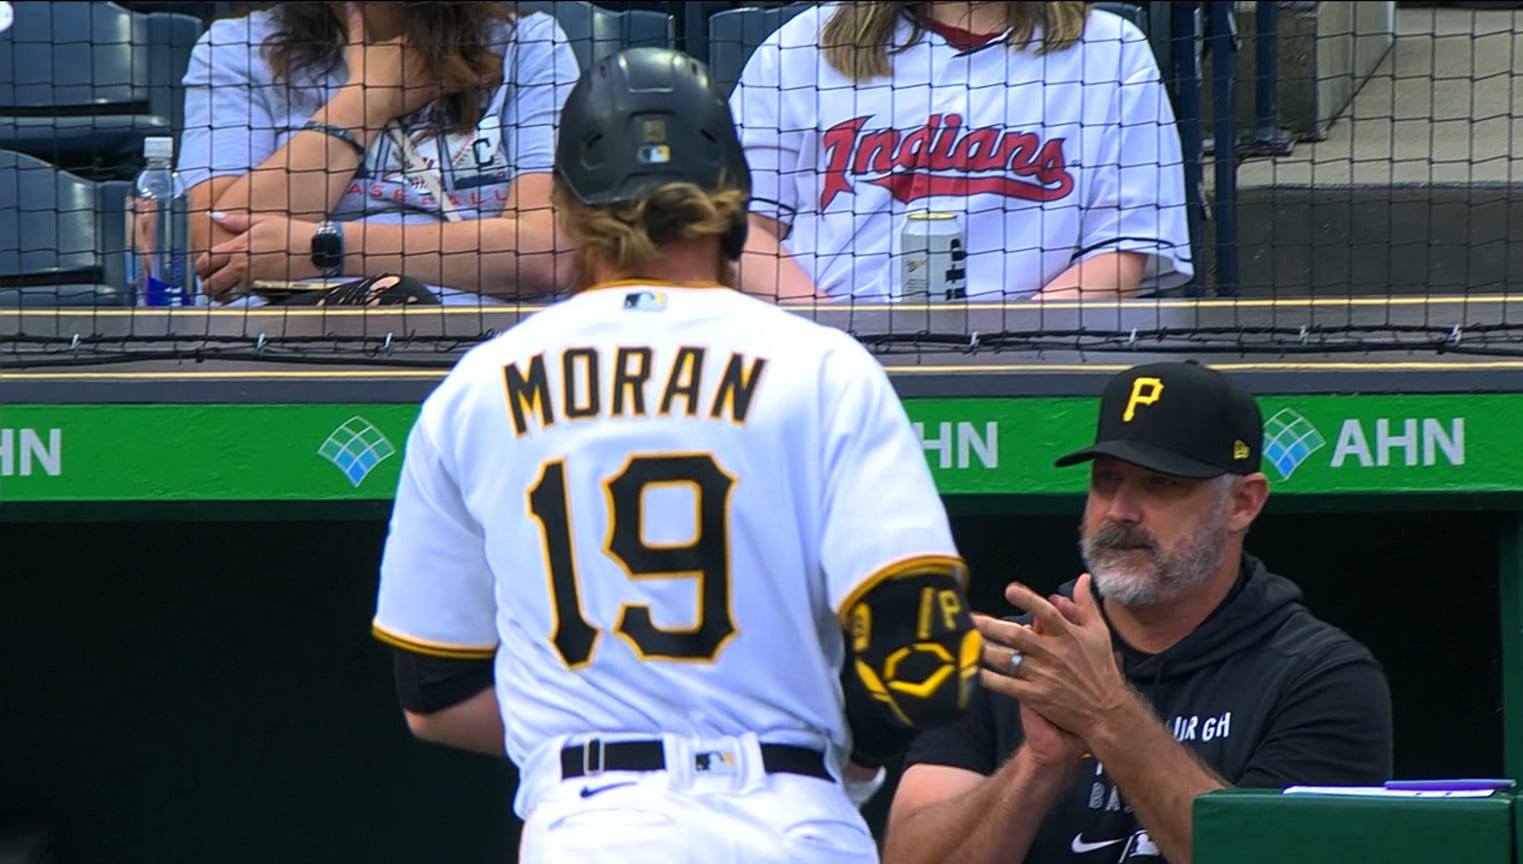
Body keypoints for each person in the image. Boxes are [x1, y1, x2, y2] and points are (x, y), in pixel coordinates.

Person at [371, 47, 980, 862]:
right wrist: (854, 755)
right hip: (792, 819)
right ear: (730, 201)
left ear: (570, 206)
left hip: (592, 826)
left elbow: (433, 698)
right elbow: (924, 656)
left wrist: (582, 727)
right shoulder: (824, 367)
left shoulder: (476, 389)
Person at [884, 360, 1394, 864]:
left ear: (1243, 502)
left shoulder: (1322, 676)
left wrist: (1105, 713)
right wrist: (1036, 769)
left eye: (1161, 484)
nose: (1120, 511)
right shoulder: (1012, 659)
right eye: (1107, 481)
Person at [730, 1, 1193, 303]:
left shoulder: (1111, 50)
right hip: (828, 339)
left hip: (1032, 347)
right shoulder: (801, 46)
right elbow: (740, 230)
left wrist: (1016, 349)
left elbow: (1121, 251)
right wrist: (828, 339)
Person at [177, 1, 578, 304]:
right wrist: (367, 97)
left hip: (484, 343)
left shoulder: (528, 44)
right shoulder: (237, 48)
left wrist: (325, 249)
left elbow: (547, 254)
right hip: (293, 343)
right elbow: (218, 254)